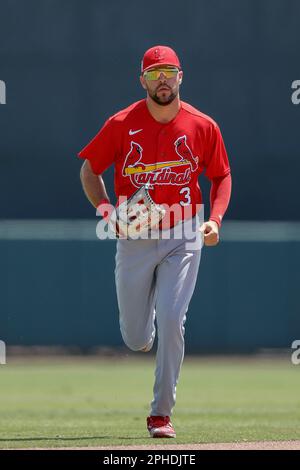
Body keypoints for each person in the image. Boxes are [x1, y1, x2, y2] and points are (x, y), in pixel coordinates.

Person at [78, 45, 232, 438]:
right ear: (141, 80)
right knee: (135, 337)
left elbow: (221, 176)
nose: (161, 79)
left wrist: (214, 220)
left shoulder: (202, 125)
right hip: (135, 234)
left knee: (171, 319)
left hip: (184, 233)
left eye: (168, 71)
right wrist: (107, 212)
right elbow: (89, 170)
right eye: (153, 73)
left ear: (181, 76)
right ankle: (142, 336)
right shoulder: (120, 123)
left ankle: (160, 414)